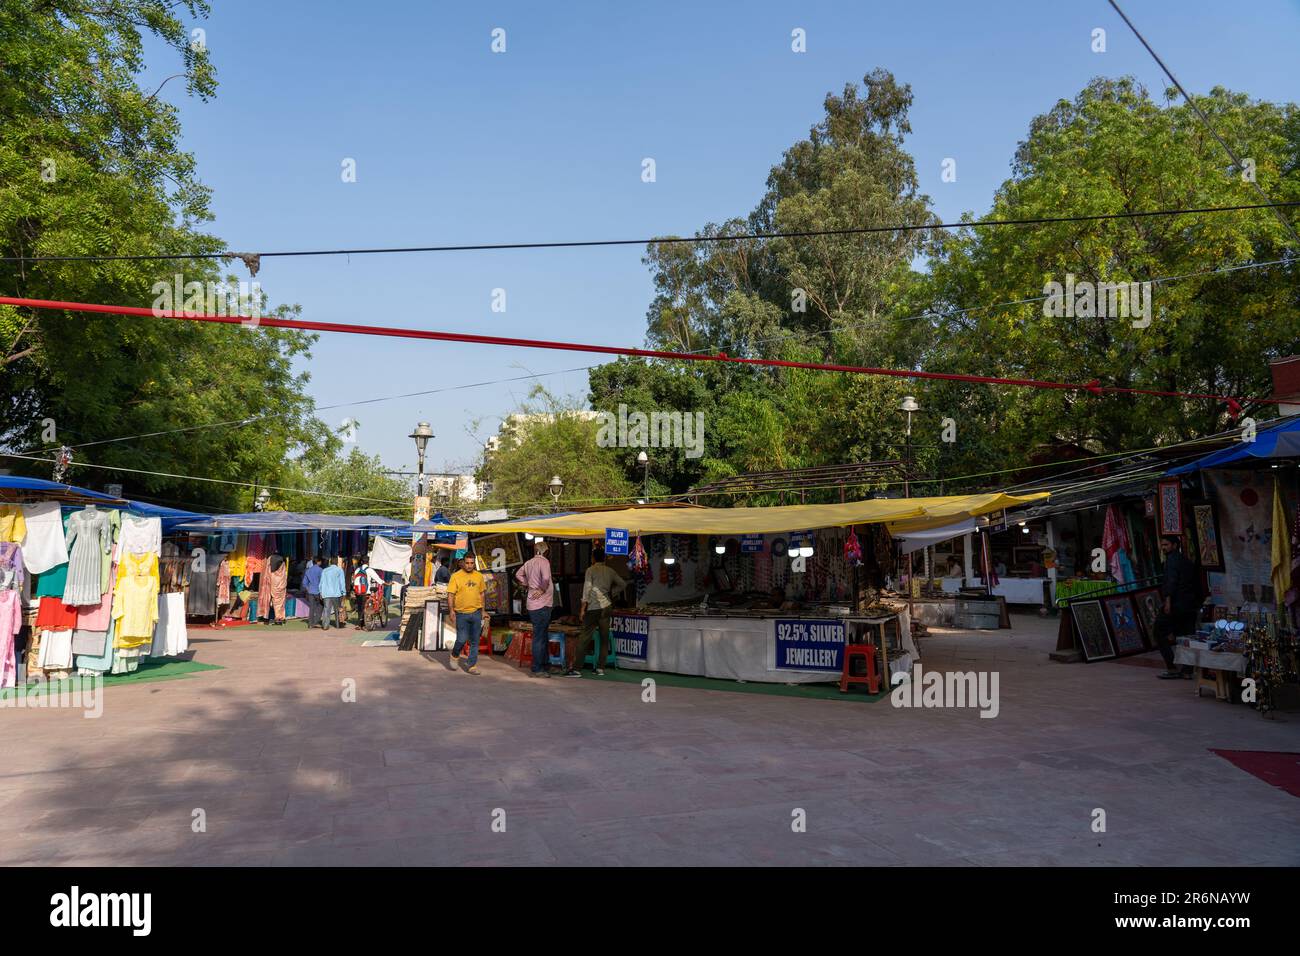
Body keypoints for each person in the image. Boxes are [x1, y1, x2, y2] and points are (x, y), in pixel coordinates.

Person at [568, 547, 627, 677]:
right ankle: (600, 668)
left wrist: (582, 608)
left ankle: (577, 669)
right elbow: (623, 584)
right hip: (606, 607)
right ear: (604, 558)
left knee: (584, 638)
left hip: (594, 607)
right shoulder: (610, 571)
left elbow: (587, 589)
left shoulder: (591, 570)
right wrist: (612, 593)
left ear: (593, 558)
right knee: (604, 638)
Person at [1153, 535, 1201, 679]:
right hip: (1189, 605)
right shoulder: (1185, 560)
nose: (1163, 548)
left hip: (1177, 604)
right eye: (1162, 545)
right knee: (1186, 636)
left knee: (1158, 631)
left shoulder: (1172, 560)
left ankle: (1172, 667)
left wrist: (1167, 602)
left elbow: (1171, 582)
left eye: (1166, 545)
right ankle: (1187, 670)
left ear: (1174, 545)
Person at [515, 540, 554, 678]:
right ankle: (538, 668)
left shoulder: (529, 563)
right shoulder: (544, 562)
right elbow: (546, 578)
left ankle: (545, 665)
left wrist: (528, 584)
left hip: (533, 604)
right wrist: (542, 589)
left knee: (541, 635)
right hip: (542, 604)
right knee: (540, 637)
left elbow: (518, 574)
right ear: (545, 551)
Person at [447, 554, 485, 674]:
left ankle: (471, 665)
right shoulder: (455, 576)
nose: (469, 565)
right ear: (463, 563)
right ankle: (454, 654)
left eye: (471, 563)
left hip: (476, 612)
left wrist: (483, 611)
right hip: (461, 613)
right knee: (461, 639)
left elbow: (482, 594)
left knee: (475, 641)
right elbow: (450, 595)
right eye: (467, 563)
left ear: (474, 563)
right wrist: (451, 610)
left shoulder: (479, 576)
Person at [319, 557, 346, 629]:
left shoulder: (324, 570)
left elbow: (321, 582)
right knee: (337, 610)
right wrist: (344, 593)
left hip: (326, 593)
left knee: (326, 610)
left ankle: (325, 625)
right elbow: (342, 582)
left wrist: (321, 592)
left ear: (330, 562)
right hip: (336, 594)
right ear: (337, 562)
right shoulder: (339, 570)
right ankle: (337, 625)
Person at [302, 556, 324, 629]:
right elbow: (322, 582)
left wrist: (308, 589)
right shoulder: (321, 570)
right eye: (320, 561)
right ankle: (315, 621)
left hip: (311, 591)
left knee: (311, 608)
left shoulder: (308, 571)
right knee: (321, 606)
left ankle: (310, 624)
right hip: (318, 591)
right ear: (318, 562)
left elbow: (304, 583)